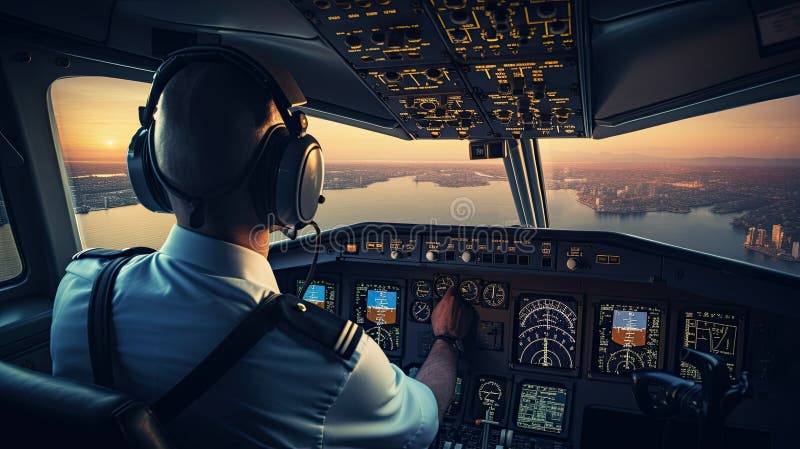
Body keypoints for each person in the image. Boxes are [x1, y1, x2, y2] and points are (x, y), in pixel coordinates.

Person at [50, 53, 473, 448]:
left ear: (150, 172)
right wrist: (446, 337)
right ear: (291, 179)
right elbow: (424, 422)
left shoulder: (83, 288)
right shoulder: (328, 361)